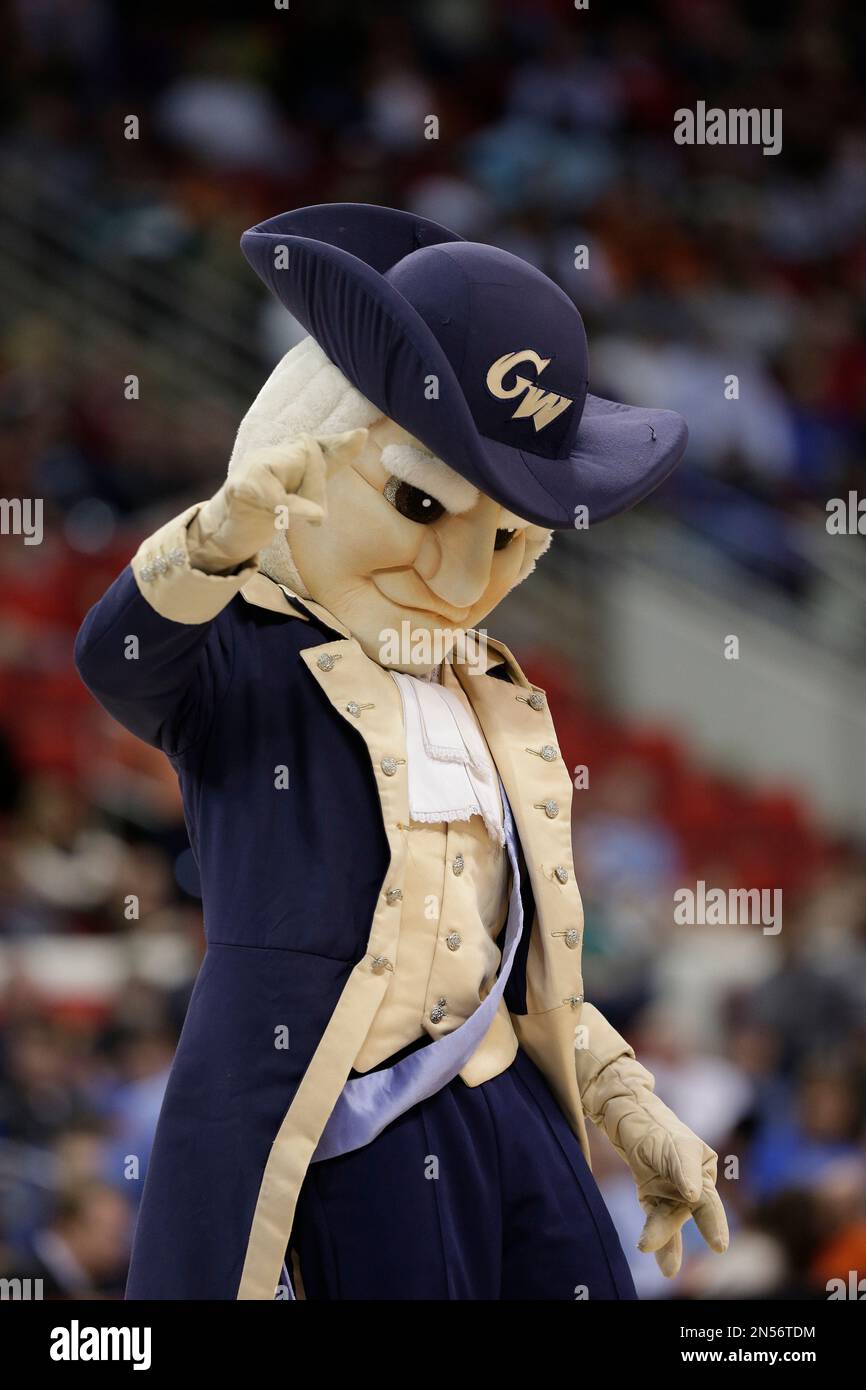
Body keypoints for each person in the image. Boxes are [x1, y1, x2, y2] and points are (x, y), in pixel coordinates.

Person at [75, 203, 727, 1300]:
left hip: (510, 1101)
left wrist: (628, 1101)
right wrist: (210, 542)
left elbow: (510, 951)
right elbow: (119, 659)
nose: (469, 575)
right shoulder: (245, 656)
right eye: (421, 501)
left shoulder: (497, 696)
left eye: (515, 537)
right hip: (349, 1111)